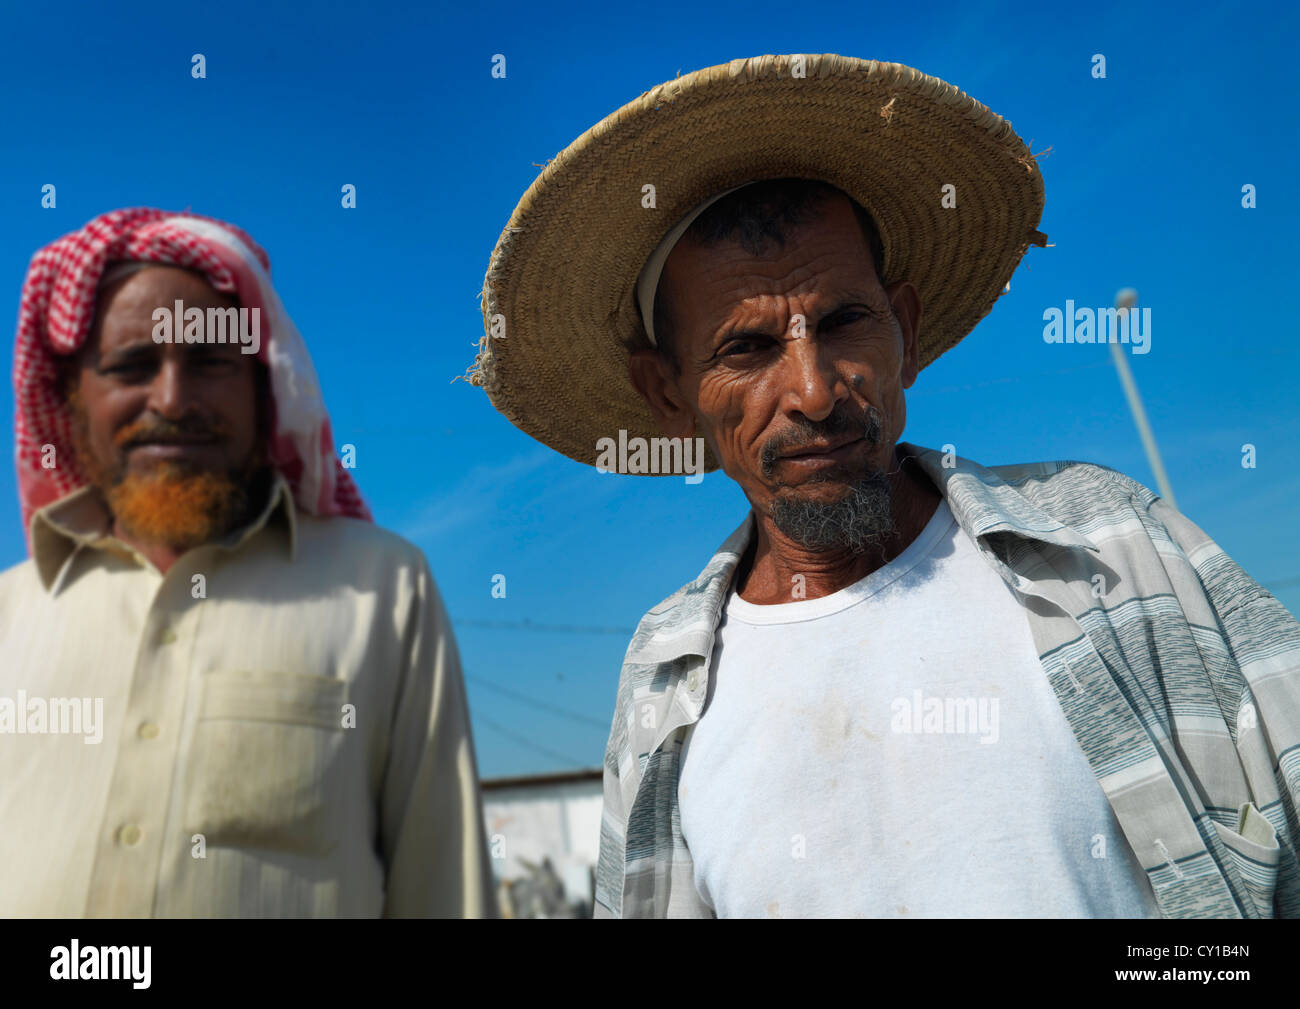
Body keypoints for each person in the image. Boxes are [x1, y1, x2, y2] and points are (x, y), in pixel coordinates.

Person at [468, 54, 1300, 919]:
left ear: (901, 330)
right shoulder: (661, 681)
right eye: (746, 350)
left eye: (843, 322)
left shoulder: (1111, 544)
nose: (816, 391)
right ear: (667, 394)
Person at [1, 208, 497, 917]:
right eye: (133, 366)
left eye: (207, 361)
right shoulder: (10, 614)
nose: (171, 400)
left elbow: (444, 891)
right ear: (73, 398)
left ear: (265, 389)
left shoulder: (381, 588)